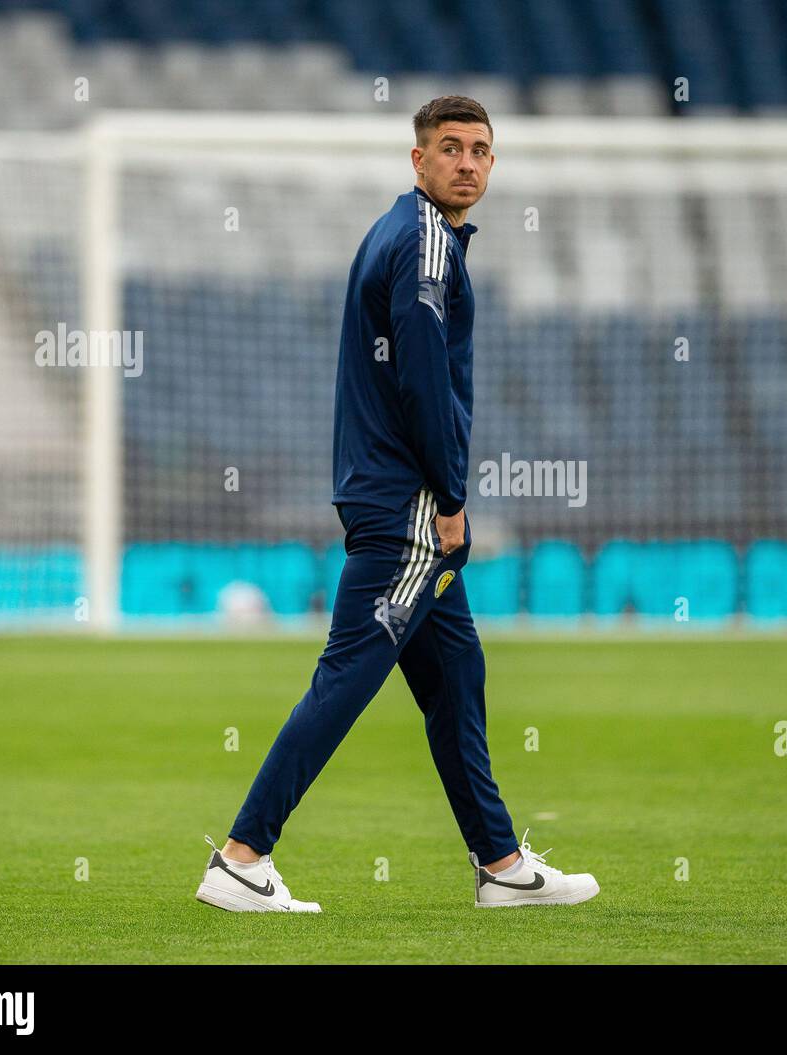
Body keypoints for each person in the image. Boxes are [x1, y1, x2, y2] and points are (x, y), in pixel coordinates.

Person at [195, 96, 599, 912]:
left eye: (482, 150)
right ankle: (242, 855)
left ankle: (502, 863)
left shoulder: (404, 231)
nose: (468, 163)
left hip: (384, 492)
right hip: (410, 506)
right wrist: (450, 498)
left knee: (457, 672)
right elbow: (421, 378)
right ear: (418, 159)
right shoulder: (424, 245)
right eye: (450, 148)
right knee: (346, 677)